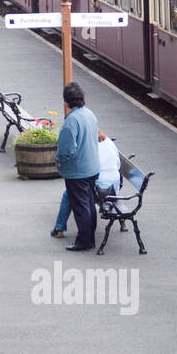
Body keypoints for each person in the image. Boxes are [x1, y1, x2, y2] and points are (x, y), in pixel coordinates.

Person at [56, 82, 101, 251]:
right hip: (92, 167)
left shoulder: (71, 121)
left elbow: (67, 149)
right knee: (89, 204)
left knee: (81, 207)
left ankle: (84, 241)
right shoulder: (89, 114)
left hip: (78, 170)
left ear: (66, 101)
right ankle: (90, 236)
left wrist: (58, 159)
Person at [51, 130, 120, 238]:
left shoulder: (89, 147)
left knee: (69, 193)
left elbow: (86, 170)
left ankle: (59, 228)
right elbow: (118, 165)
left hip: (99, 190)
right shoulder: (109, 143)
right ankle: (60, 228)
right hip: (114, 188)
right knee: (74, 190)